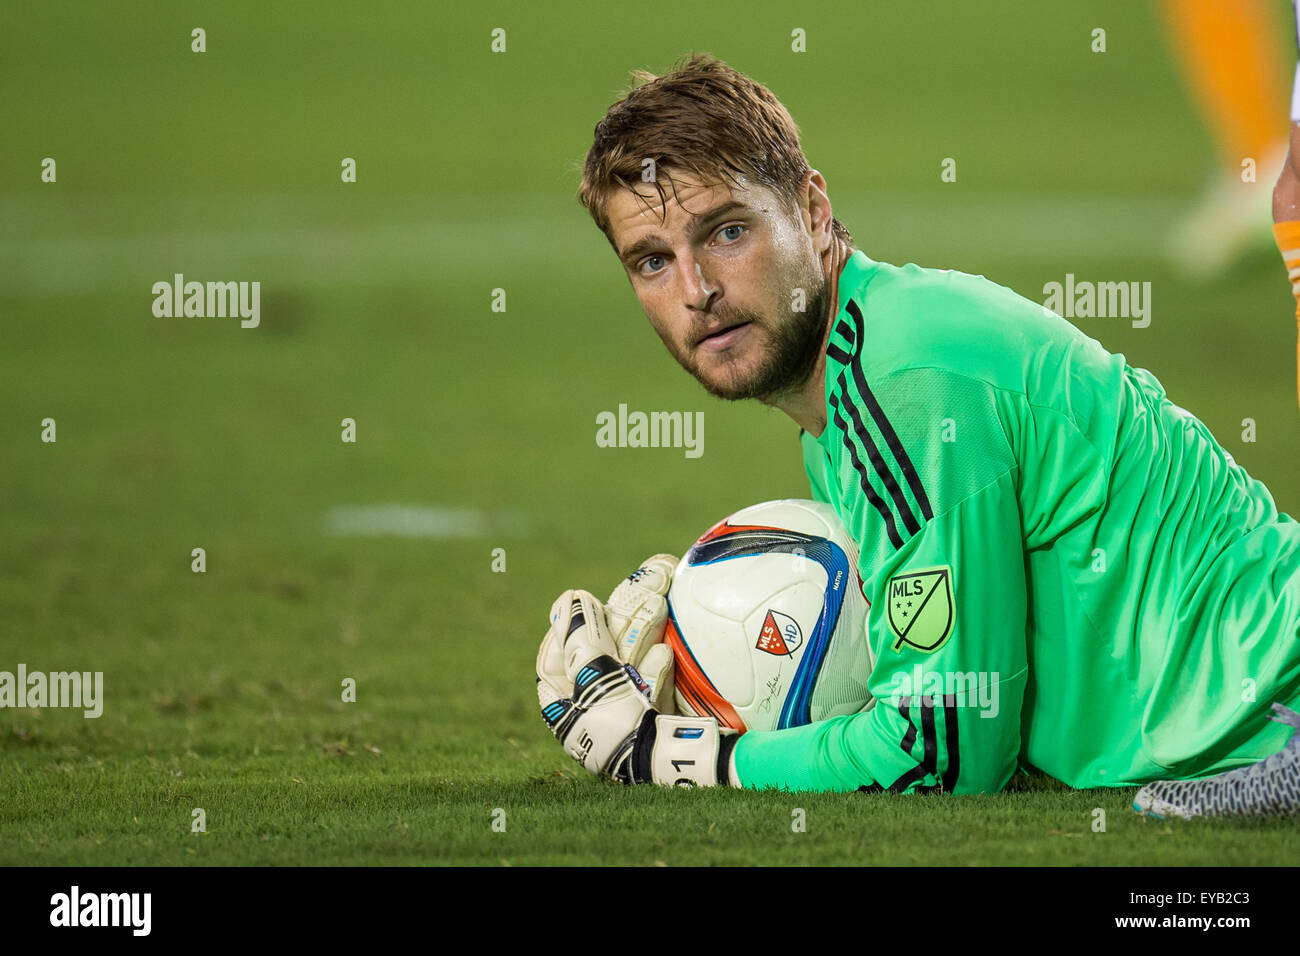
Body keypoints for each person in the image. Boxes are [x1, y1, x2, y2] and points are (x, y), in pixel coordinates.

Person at [536, 54, 1300, 819]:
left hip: (1269, 719)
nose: (697, 291)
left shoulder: (903, 380)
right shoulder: (863, 371)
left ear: (811, 209)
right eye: (653, 262)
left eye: (728, 231)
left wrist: (668, 753)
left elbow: (942, 754)